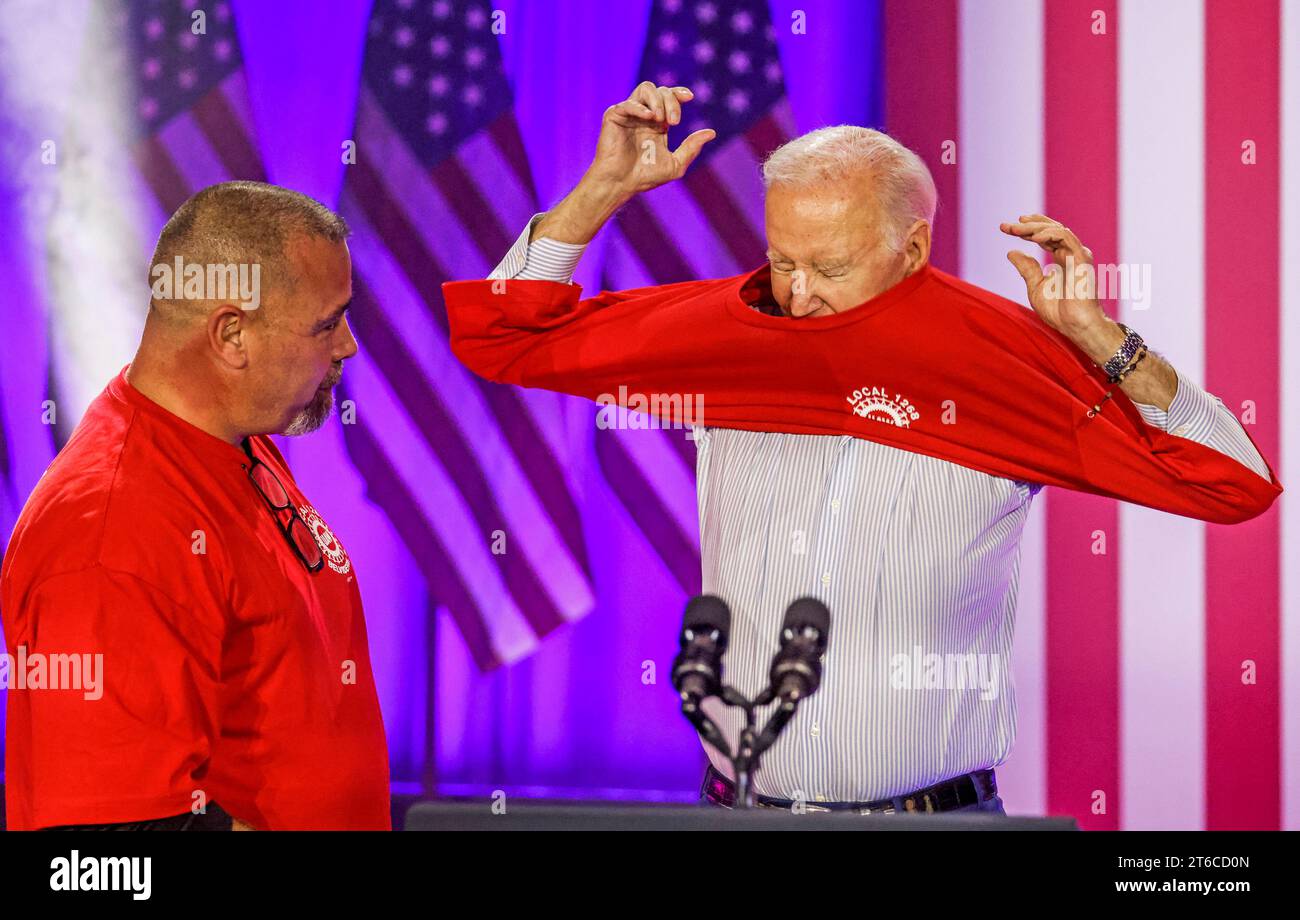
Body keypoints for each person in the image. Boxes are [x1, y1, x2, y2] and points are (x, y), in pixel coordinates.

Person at [444, 82, 1280, 815]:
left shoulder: (1002, 362)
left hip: (936, 818)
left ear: (911, 248)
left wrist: (1100, 339)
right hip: (735, 808)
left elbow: (1232, 484)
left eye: (829, 266)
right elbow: (501, 337)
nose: (798, 294)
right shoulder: (723, 339)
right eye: (781, 259)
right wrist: (601, 190)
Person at [1, 181, 390, 830]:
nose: (348, 345)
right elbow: (109, 851)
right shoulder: (112, 535)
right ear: (232, 335)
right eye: (327, 323)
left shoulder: (236, 438)